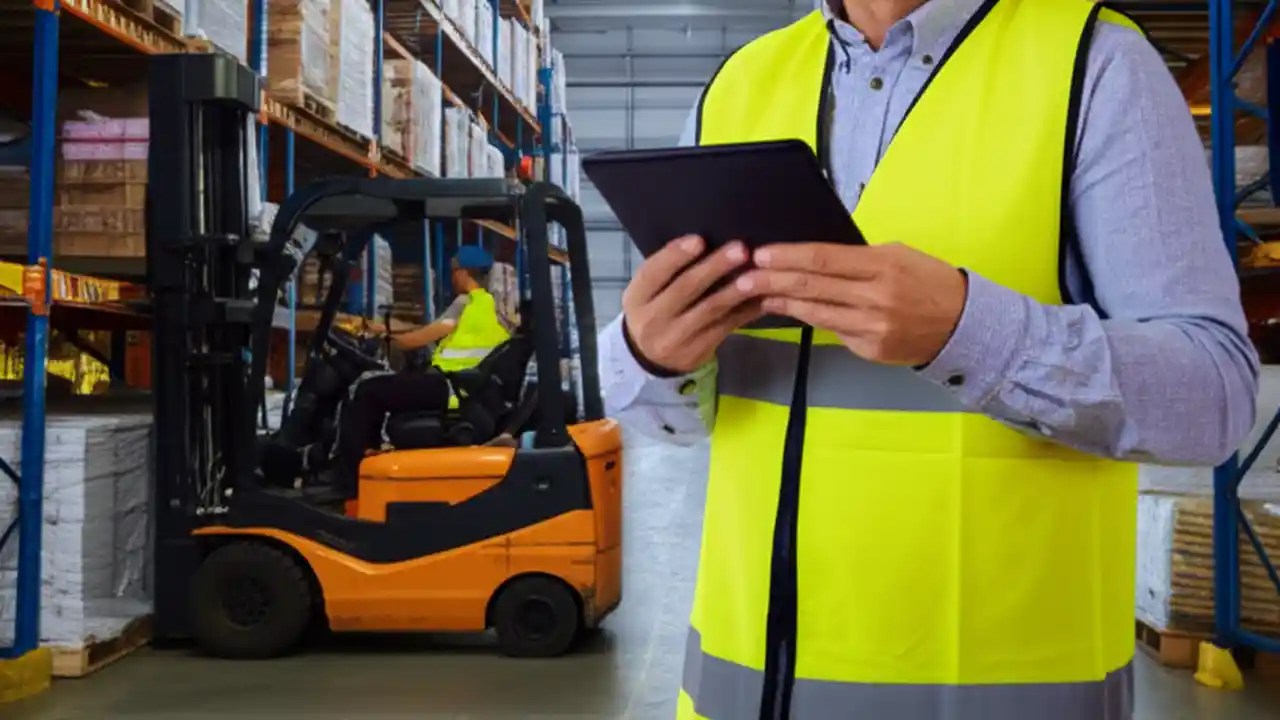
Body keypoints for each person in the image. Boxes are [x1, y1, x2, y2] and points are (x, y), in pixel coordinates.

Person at [599, 1, 1260, 719]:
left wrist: (968, 331)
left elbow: (1211, 394)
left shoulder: (1094, 64)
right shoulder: (737, 85)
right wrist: (649, 354)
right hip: (745, 691)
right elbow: (679, 418)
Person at [325, 246, 513, 497]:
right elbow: (437, 333)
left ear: (463, 273)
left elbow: (423, 336)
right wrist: (387, 332)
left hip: (451, 388)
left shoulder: (466, 302)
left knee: (367, 389)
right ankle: (368, 458)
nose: (452, 277)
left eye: (454, 272)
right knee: (381, 387)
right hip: (463, 388)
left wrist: (389, 339)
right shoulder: (488, 306)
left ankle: (349, 481)